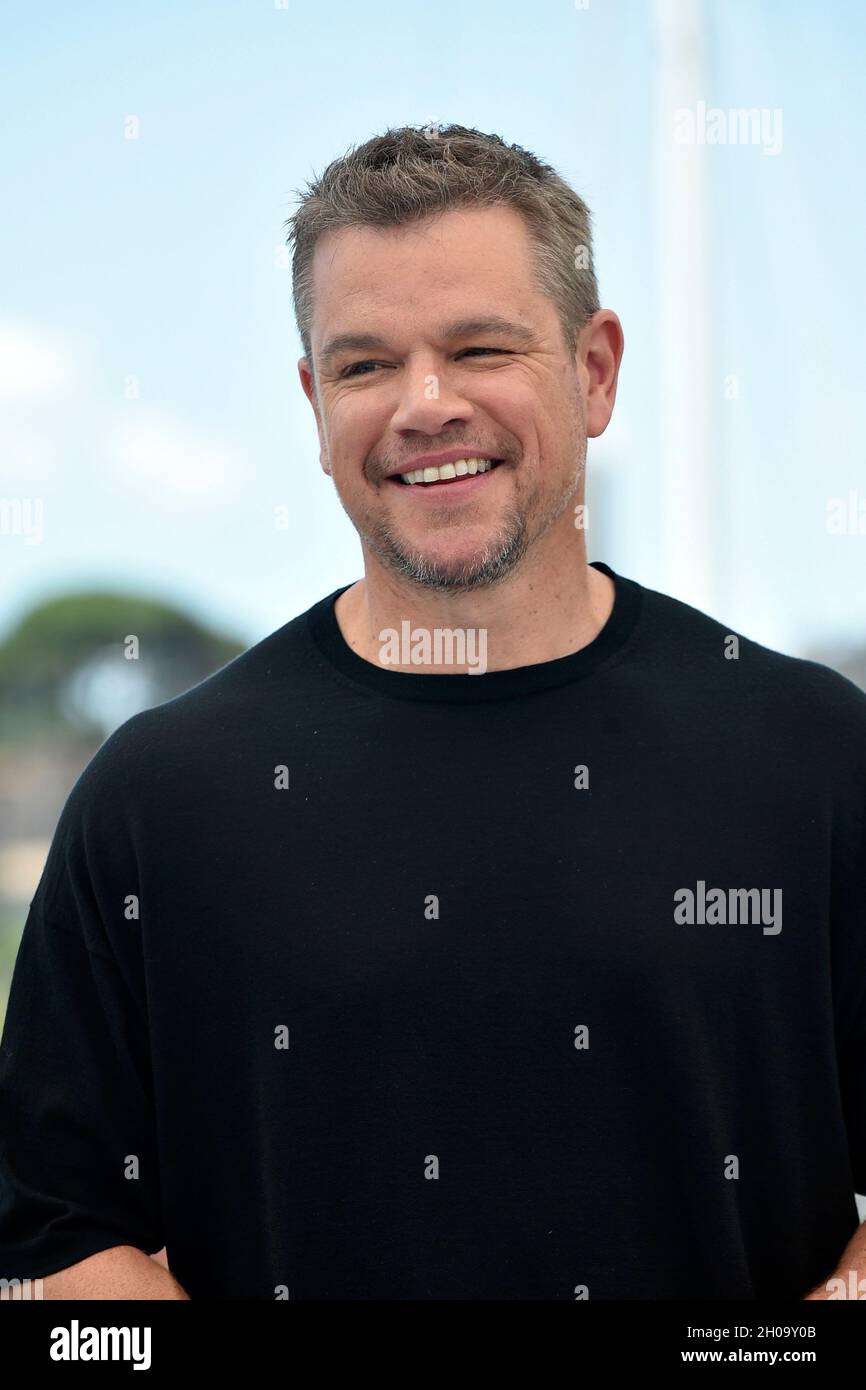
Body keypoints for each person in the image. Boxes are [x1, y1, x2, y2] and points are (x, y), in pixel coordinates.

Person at [1, 124, 864, 1301]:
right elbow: (56, 1228)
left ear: (594, 369)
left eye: (478, 347)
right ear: (313, 403)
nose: (423, 405)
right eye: (363, 365)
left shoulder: (813, 755)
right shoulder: (161, 795)